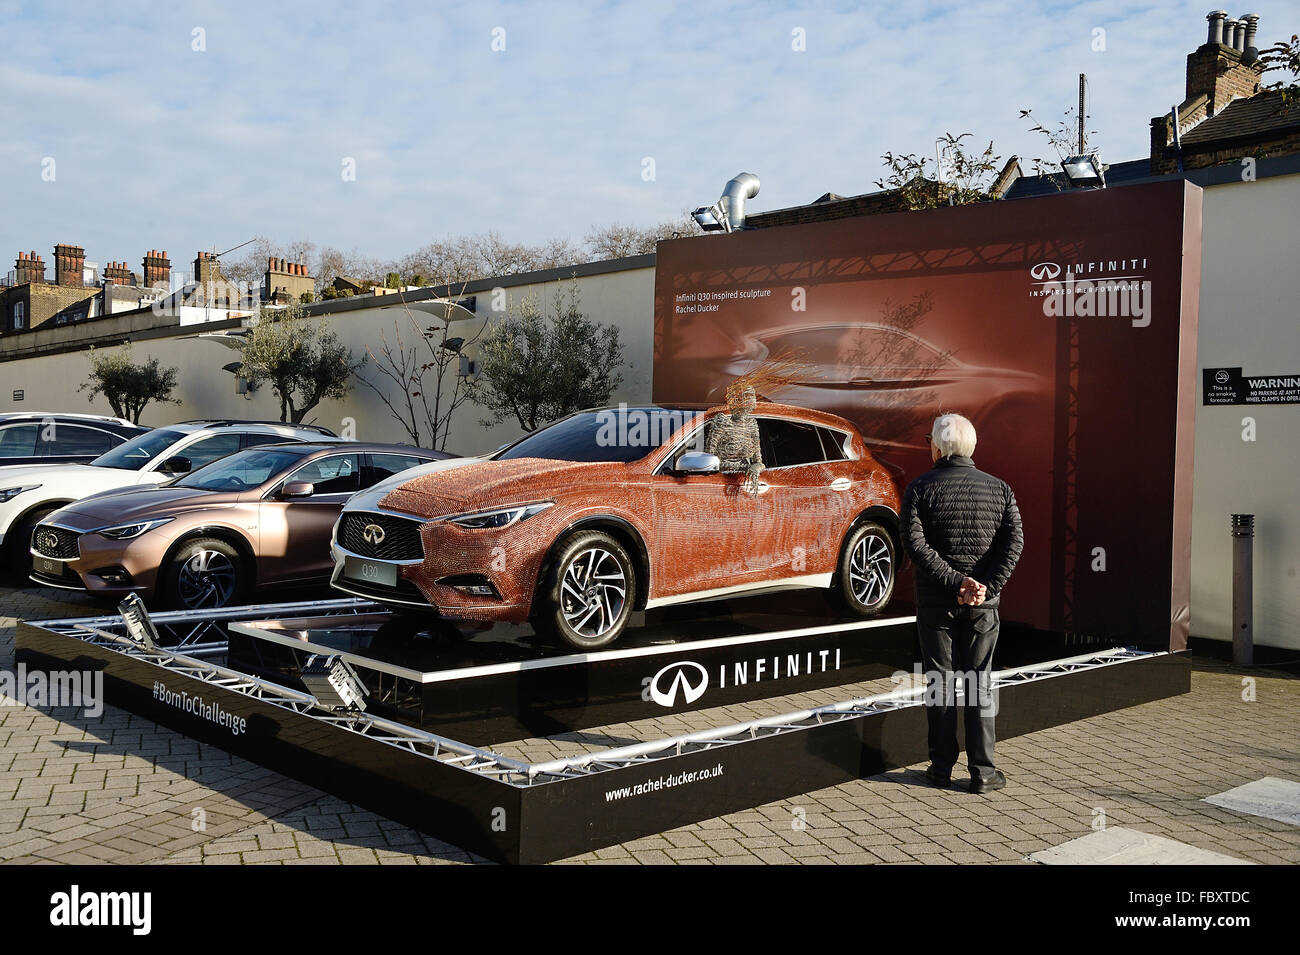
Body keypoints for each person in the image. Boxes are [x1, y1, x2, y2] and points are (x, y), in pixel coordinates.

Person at [901, 412, 1023, 794]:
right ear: (971, 445)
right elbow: (1014, 543)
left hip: (937, 603)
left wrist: (956, 582)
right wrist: (985, 585)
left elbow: (915, 545)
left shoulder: (919, 489)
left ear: (937, 446)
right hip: (984, 606)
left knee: (940, 682)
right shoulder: (1000, 489)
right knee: (979, 683)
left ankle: (939, 769)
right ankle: (984, 772)